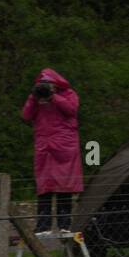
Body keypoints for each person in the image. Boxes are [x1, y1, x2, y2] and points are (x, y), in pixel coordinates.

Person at [20, 68, 83, 235]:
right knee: (44, 186)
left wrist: (53, 97)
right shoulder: (36, 97)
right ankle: (43, 226)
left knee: (64, 185)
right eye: (42, 84)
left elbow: (71, 110)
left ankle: (65, 225)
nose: (45, 87)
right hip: (44, 145)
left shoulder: (68, 94)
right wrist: (34, 97)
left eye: (48, 84)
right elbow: (26, 115)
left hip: (64, 145)